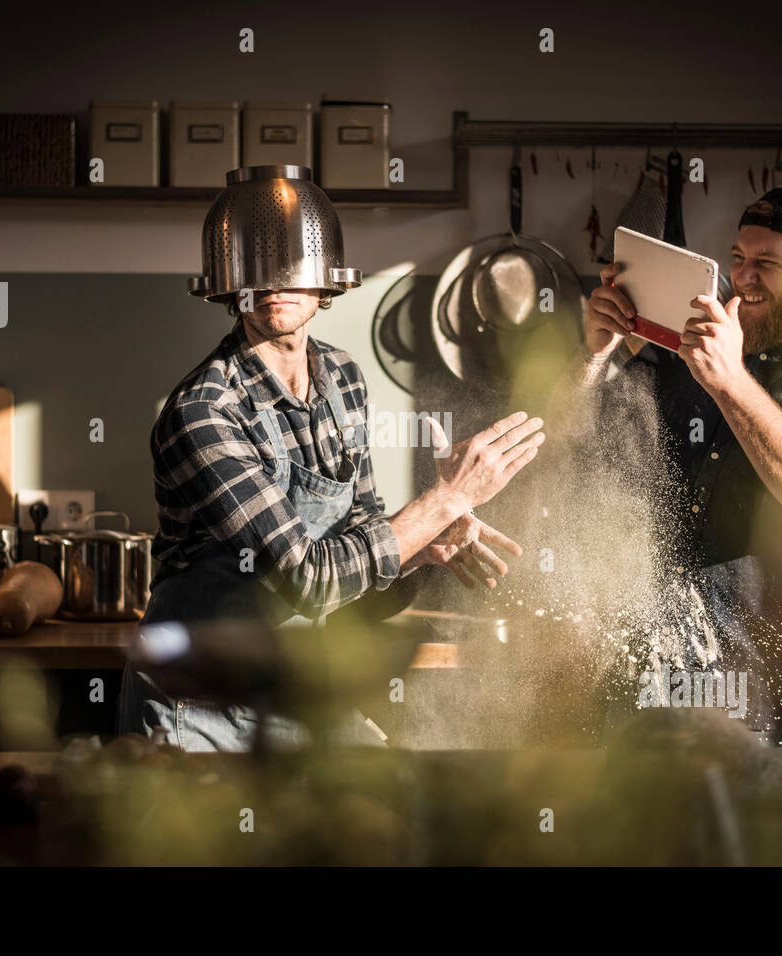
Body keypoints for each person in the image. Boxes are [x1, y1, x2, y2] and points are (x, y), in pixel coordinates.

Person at [118, 166, 544, 750]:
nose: (273, 283)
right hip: (197, 707)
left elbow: (350, 591)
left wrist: (423, 549)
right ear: (226, 285)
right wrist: (445, 499)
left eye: (290, 266)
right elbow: (309, 579)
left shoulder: (344, 378)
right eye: (256, 270)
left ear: (326, 282)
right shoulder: (204, 411)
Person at [550, 185, 782, 745]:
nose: (743, 278)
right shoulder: (676, 365)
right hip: (653, 705)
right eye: (739, 259)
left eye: (769, 264)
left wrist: (730, 382)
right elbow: (556, 443)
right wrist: (594, 353)